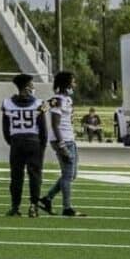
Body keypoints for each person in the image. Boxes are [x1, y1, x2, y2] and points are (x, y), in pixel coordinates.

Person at [3, 73, 47, 217]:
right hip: (33, 141)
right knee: (35, 175)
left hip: (16, 142)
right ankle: (33, 206)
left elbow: (5, 127)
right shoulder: (38, 103)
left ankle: (15, 206)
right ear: (27, 87)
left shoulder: (7, 103)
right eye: (32, 84)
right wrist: (42, 145)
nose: (33, 87)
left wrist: (12, 141)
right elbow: (43, 128)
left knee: (16, 176)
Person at [42, 71, 84, 217]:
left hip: (69, 138)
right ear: (66, 83)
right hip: (63, 140)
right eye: (72, 81)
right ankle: (67, 207)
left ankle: (47, 198)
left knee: (72, 175)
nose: (74, 84)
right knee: (67, 175)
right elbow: (55, 124)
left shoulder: (66, 100)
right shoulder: (57, 100)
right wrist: (61, 145)